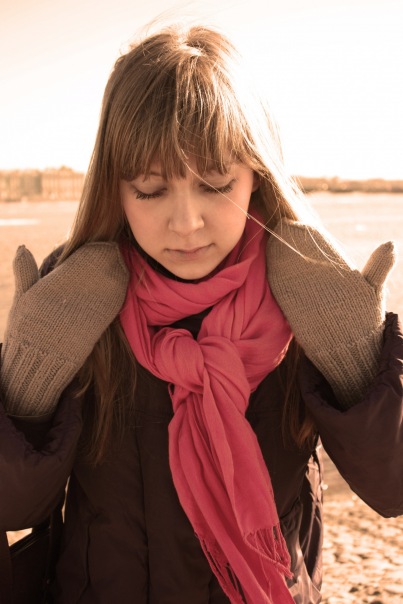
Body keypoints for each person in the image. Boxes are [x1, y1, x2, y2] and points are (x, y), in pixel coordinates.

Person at [0, 23, 402, 604]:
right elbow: (14, 508)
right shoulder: (72, 300)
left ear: (257, 174)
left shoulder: (309, 293)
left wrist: (357, 362)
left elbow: (391, 488)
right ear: (115, 188)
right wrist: (27, 380)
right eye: (150, 189)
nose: (186, 223)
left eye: (214, 184)